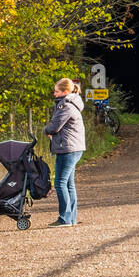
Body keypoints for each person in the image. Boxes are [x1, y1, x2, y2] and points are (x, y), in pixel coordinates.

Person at [43, 77, 86, 227]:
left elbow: (55, 126)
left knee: (60, 183)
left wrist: (46, 130)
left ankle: (65, 218)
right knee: (68, 184)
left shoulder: (66, 106)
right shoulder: (72, 103)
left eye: (56, 91)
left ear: (65, 91)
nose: (54, 94)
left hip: (67, 148)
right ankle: (71, 217)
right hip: (74, 147)